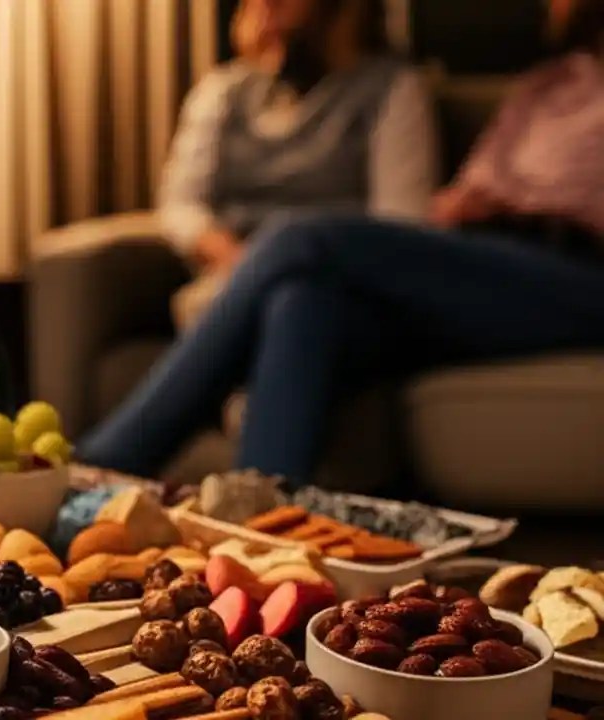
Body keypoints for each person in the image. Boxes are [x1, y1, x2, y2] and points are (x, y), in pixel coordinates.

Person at [77, 0, 604, 487]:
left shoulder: (390, 86)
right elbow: (475, 184)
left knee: (300, 237)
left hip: (577, 270)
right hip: (482, 262)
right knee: (303, 301)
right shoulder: (545, 86)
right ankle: (262, 522)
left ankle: (104, 463)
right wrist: (468, 201)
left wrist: (524, 199)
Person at [161, 0, 438, 328]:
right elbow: (181, 205)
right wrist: (243, 263)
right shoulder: (221, 92)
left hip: (337, 285)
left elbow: (399, 226)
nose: (265, 8)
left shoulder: (389, 89)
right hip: (232, 282)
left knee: (296, 302)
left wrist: (287, 262)